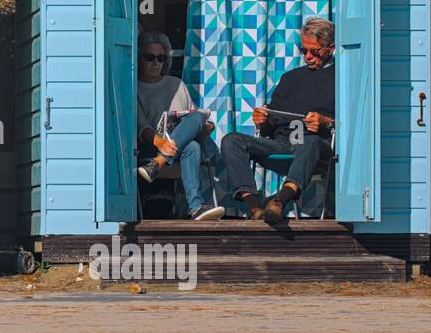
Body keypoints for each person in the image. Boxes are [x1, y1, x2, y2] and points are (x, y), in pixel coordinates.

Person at [220, 17, 337, 224]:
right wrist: (262, 120)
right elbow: (270, 127)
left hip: (316, 149)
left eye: (314, 51)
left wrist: (326, 122)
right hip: (282, 143)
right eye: (304, 51)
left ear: (330, 48)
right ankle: (255, 207)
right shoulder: (290, 78)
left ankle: (280, 200)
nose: (308, 56)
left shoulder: (341, 78)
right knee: (231, 140)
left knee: (309, 142)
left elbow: (353, 125)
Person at [134, 30, 225, 221]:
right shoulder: (134, 87)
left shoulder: (176, 84)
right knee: (192, 146)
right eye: (149, 57)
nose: (155, 63)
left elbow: (191, 116)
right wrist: (160, 143)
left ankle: (157, 165)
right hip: (149, 147)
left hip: (171, 148)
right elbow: (140, 126)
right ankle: (196, 206)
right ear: (139, 58)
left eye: (160, 58)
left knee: (198, 119)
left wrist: (205, 127)